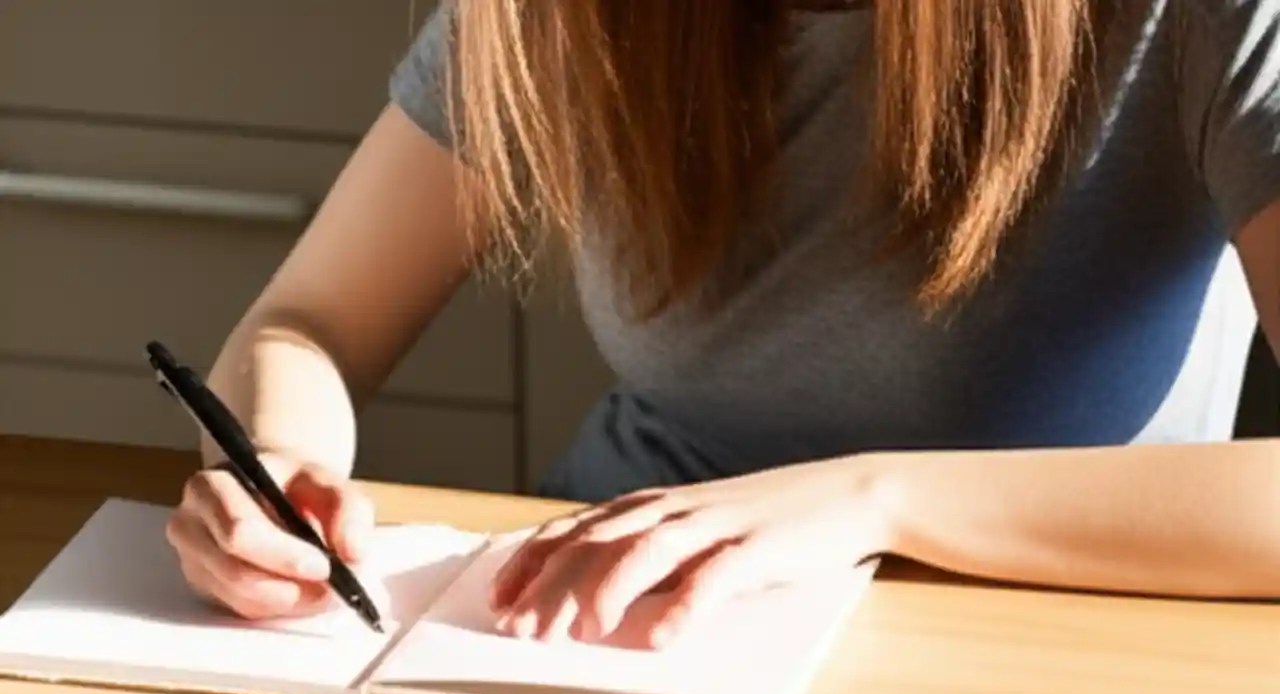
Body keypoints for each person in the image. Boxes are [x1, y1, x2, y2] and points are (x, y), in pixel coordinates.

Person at [165, 0, 1280, 649]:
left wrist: (870, 499)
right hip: (584, 640)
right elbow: (309, 318)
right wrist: (274, 465)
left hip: (1020, 643)